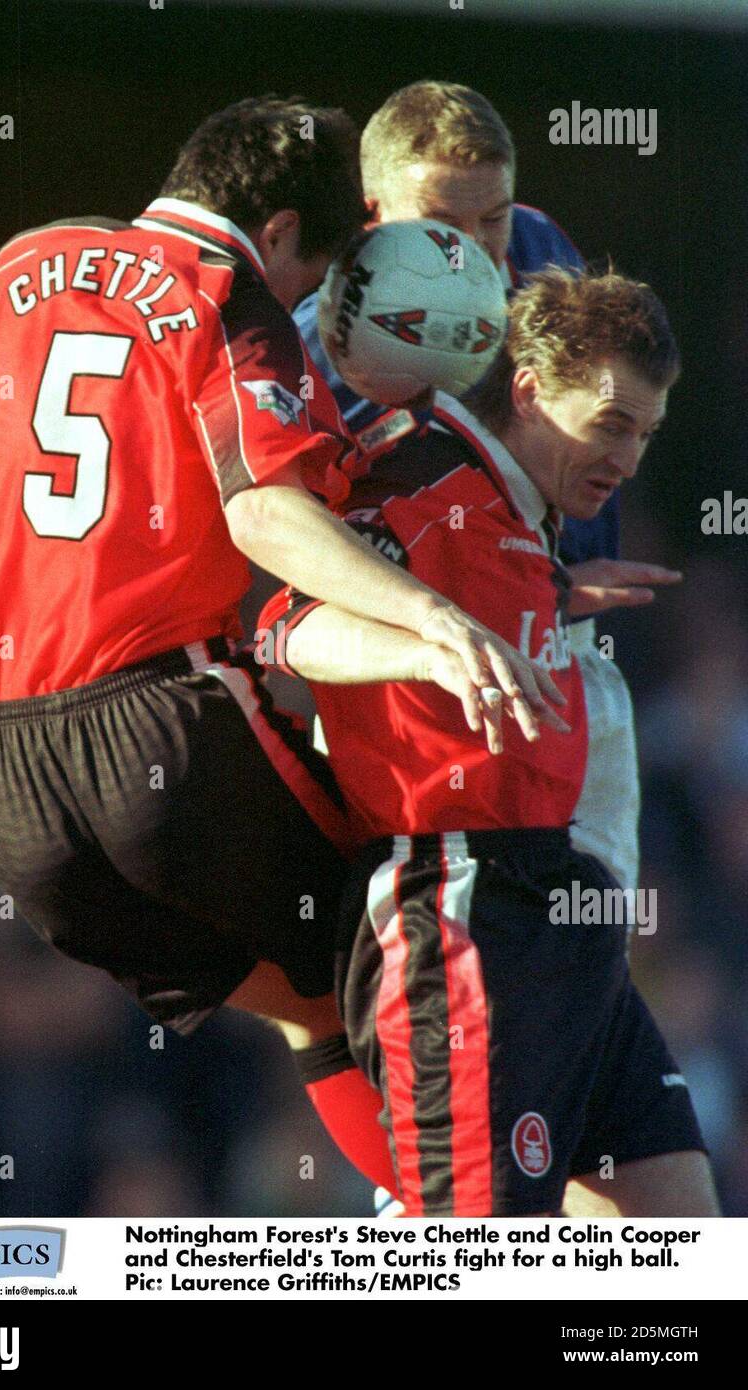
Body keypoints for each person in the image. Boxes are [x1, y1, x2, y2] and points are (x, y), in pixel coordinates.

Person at [0, 99, 561, 1114]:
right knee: (419, 952)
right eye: (312, 271)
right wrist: (434, 620)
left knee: (318, 1008)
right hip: (157, 743)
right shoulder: (226, 294)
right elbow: (266, 518)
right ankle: (478, 1251)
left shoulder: (16, 264)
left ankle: (418, 1219)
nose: (310, 303)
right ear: (276, 235)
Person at [260, 259, 719, 1217]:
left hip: (566, 920)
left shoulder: (524, 514)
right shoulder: (421, 473)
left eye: (648, 432)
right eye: (610, 425)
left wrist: (543, 592)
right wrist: (432, 644)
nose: (630, 458)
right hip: (463, 906)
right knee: (474, 1252)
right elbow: (287, 628)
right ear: (527, 390)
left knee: (682, 1243)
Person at [295, 80, 682, 893]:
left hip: (566, 657)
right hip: (425, 702)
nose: (479, 252)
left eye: (492, 217)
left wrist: (559, 579)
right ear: (372, 212)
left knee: (594, 941)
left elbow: (594, 424)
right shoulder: (319, 350)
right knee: (455, 963)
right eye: (443, 224)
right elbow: (297, 565)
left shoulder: (542, 247)